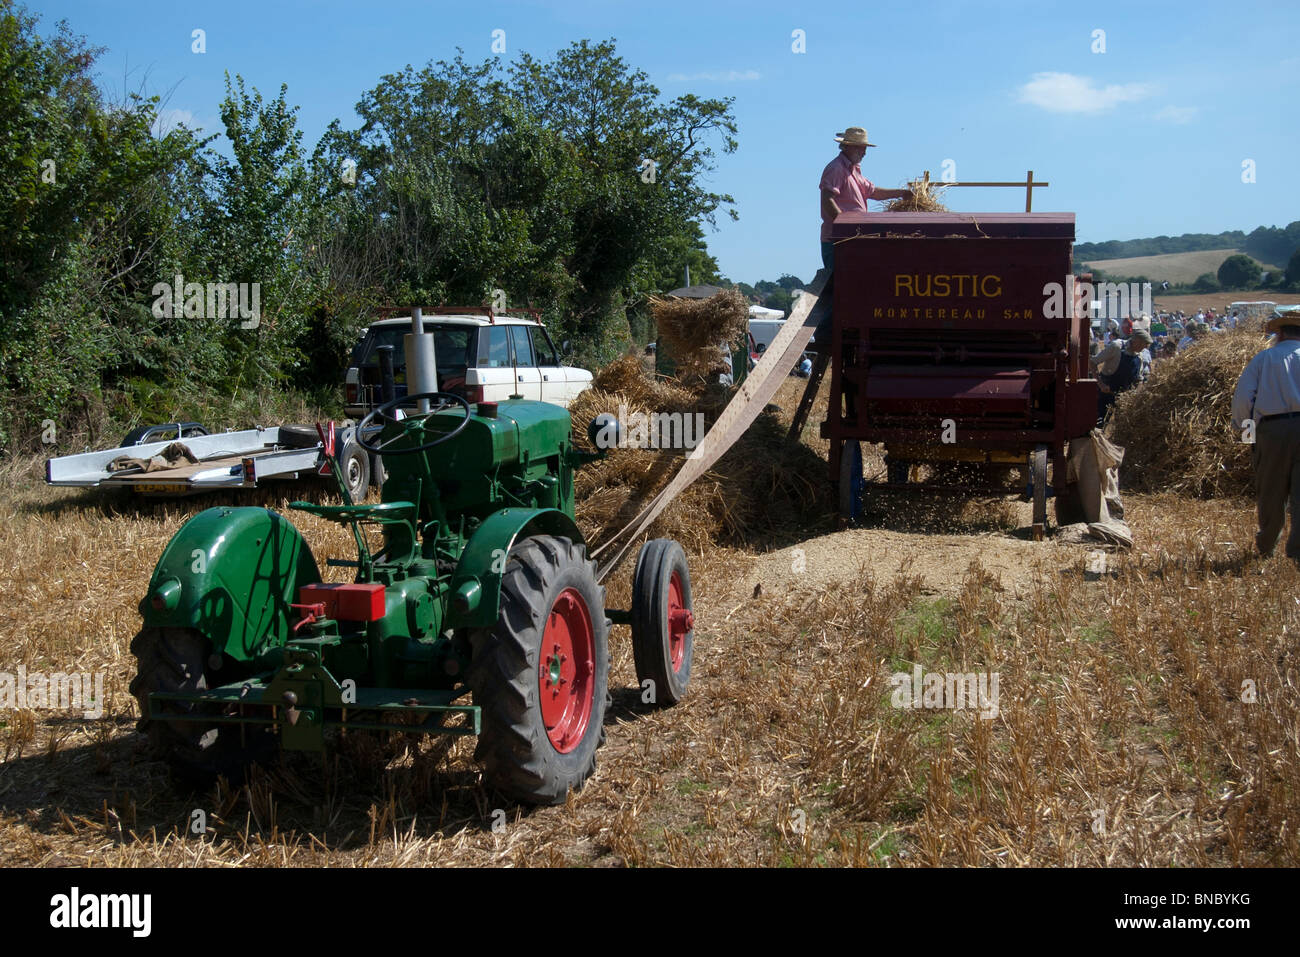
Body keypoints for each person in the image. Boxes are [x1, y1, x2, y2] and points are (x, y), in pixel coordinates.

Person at [1231, 309, 1300, 560]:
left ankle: (1267, 547)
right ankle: (1297, 553)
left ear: (1280, 333)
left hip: (1272, 430)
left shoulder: (1264, 359)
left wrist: (1245, 432)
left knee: (1271, 490)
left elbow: (1243, 399)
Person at [819, 126, 912, 272]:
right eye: (861, 148)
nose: (864, 153)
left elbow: (873, 192)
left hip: (852, 237)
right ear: (849, 147)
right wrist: (844, 226)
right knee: (842, 284)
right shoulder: (836, 168)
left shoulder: (853, 170)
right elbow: (827, 200)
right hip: (838, 240)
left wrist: (902, 193)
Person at [1093, 330, 1152, 425]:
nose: (1144, 348)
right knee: (1099, 424)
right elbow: (1092, 362)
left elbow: (1139, 379)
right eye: (1143, 345)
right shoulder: (1116, 346)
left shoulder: (1140, 356)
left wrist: (1136, 395)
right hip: (1105, 395)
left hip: (1124, 398)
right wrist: (1101, 384)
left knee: (1122, 427)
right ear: (1136, 341)